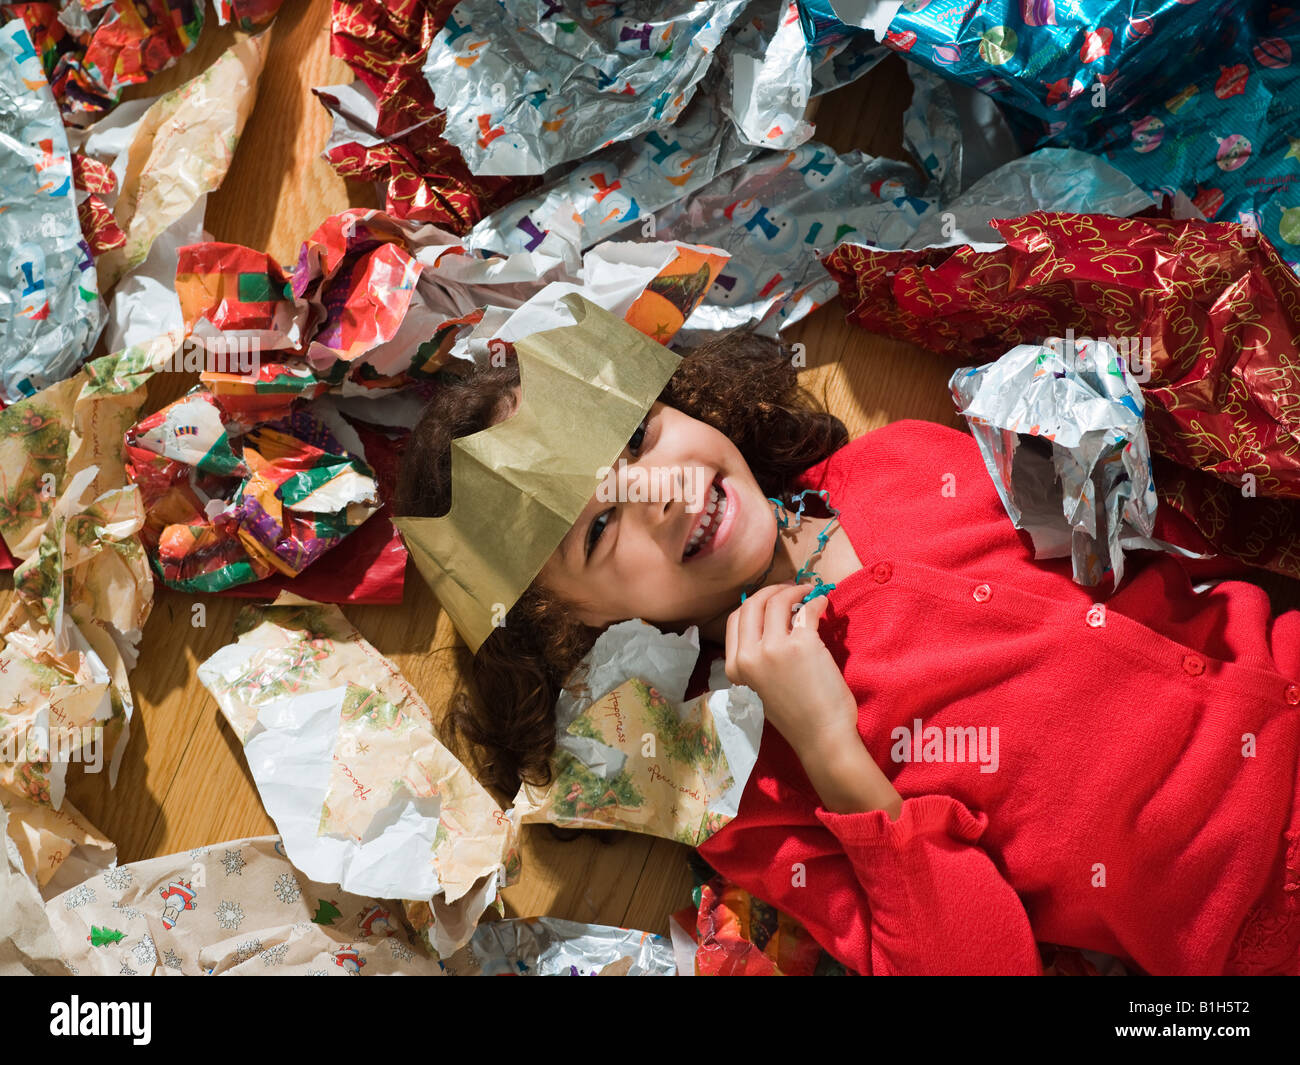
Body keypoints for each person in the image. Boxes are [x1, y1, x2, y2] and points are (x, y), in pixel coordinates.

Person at [394, 330, 1300, 976]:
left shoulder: (897, 459)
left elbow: (1176, 547)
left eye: (637, 438)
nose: (663, 492)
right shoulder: (740, 779)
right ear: (569, 624)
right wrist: (833, 750)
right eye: (597, 528)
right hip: (1258, 910)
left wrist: (1106, 449)